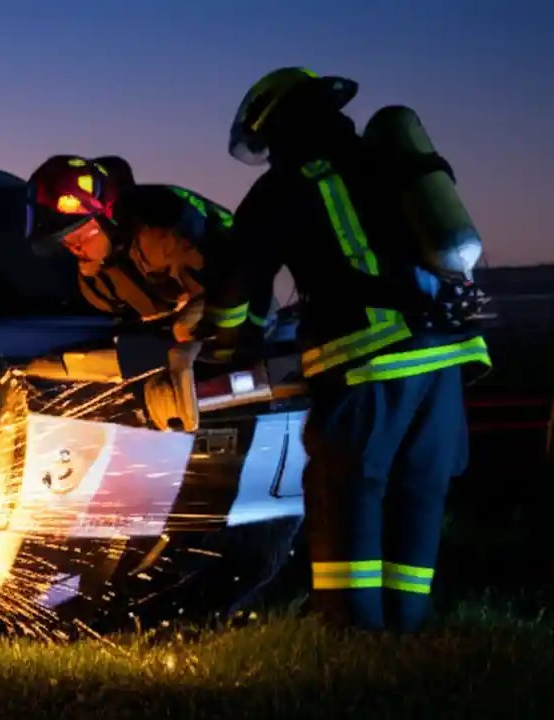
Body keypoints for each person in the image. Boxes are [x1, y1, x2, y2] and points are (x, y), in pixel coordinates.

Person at [204, 66, 491, 633]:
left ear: (277, 126)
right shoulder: (390, 162)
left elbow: (241, 285)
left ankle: (350, 628)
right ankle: (407, 622)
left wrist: (226, 345)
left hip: (366, 357)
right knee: (420, 490)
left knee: (346, 491)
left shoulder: (282, 187)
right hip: (447, 353)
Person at [25, 154, 236, 343]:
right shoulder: (96, 281)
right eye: (67, 242)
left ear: (109, 219)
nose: (77, 248)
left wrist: (198, 331)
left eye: (83, 235)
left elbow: (225, 288)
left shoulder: (158, 233)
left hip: (239, 285)